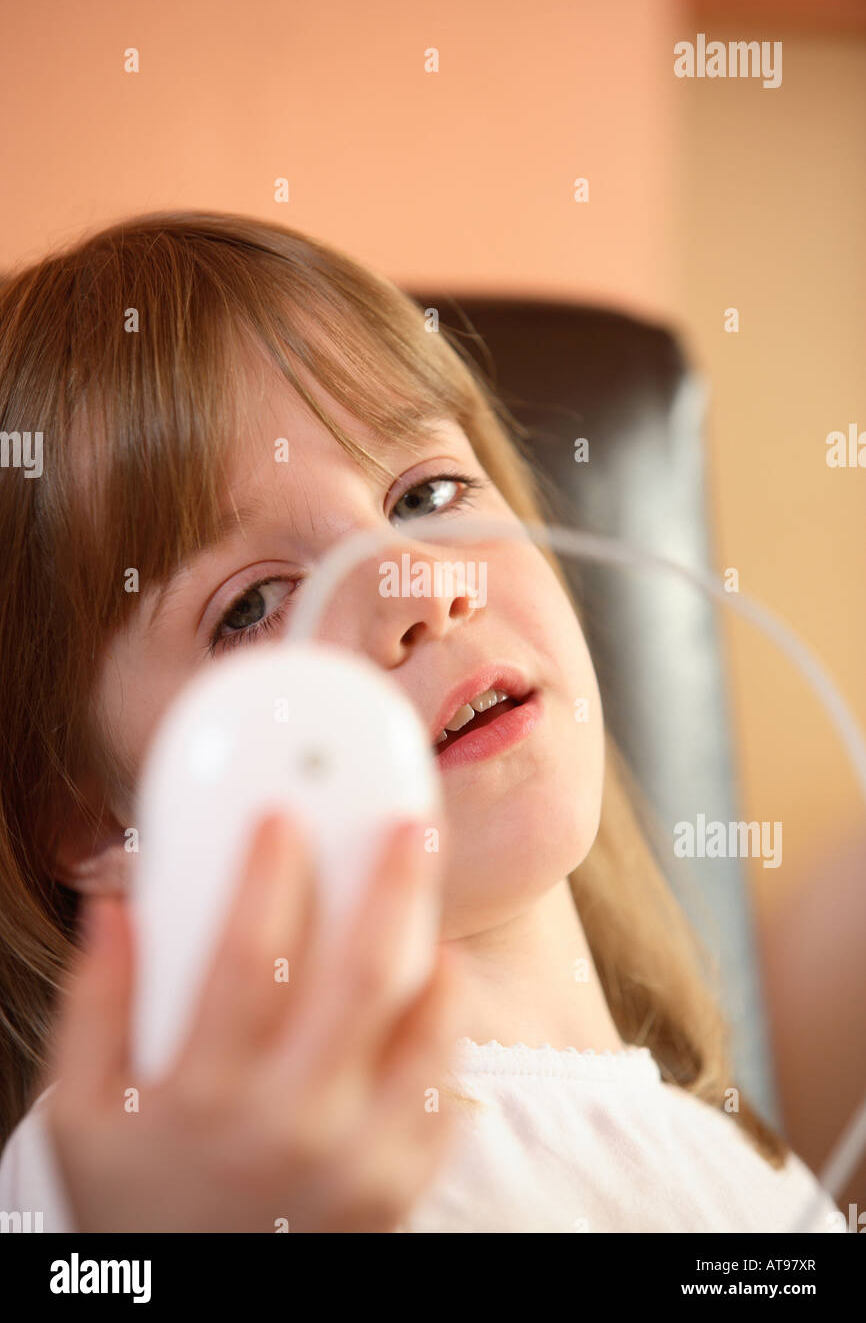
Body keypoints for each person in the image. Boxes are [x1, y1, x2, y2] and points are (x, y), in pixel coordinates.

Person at [0, 212, 840, 1232]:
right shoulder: (165, 1165)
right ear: (96, 824)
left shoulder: (753, 1181)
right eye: (252, 605)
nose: (419, 587)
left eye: (427, 492)